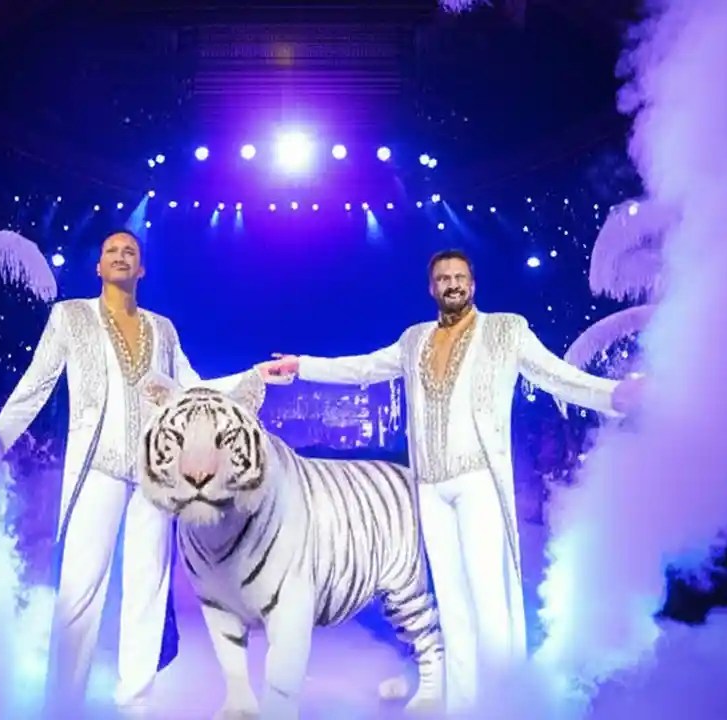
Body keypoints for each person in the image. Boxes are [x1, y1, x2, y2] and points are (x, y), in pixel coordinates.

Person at [263, 249, 641, 713]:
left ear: (473, 284)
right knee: (453, 607)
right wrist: (303, 365)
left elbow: (554, 375)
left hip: (478, 479)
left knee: (490, 603)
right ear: (432, 288)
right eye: (443, 278)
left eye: (460, 277)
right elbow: (363, 367)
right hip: (431, 487)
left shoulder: (505, 330)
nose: (452, 284)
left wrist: (614, 394)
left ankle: (505, 705)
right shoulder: (414, 339)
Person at [0, 230, 266, 715]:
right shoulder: (71, 316)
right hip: (96, 471)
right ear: (99, 268)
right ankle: (62, 705)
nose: (121, 256)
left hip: (153, 475)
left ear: (141, 270)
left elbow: (192, 388)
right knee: (80, 592)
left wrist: (252, 378)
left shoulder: (162, 330)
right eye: (111, 252)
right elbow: (34, 388)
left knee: (148, 589)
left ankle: (136, 704)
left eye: (130, 252)